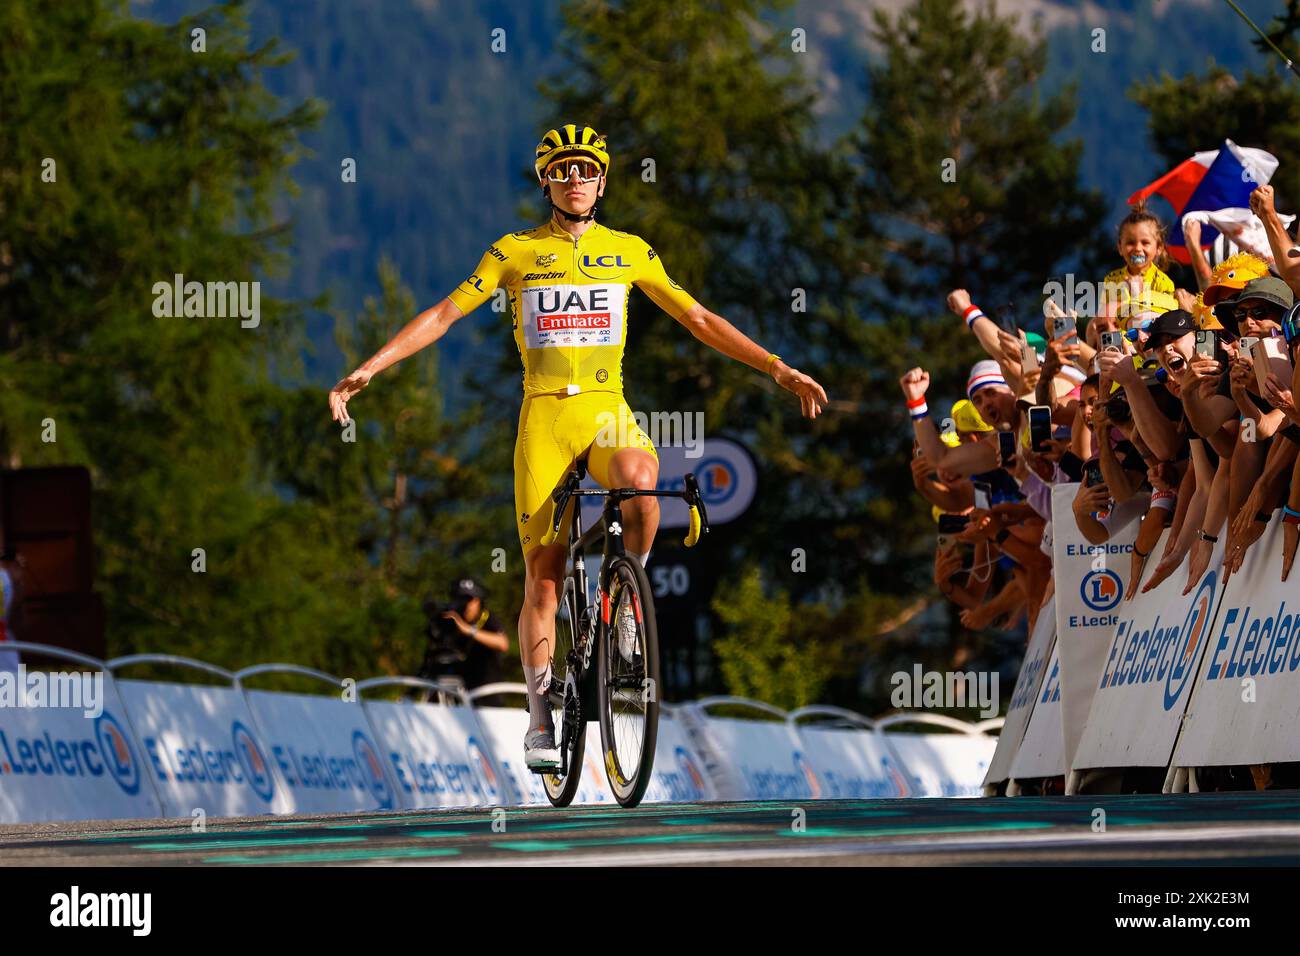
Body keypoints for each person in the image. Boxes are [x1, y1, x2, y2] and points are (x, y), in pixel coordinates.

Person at [328, 124, 827, 770]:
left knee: (644, 484)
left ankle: (626, 602)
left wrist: (777, 367)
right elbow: (445, 313)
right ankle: (539, 719)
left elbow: (698, 318)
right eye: (561, 171)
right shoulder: (514, 252)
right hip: (543, 417)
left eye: (585, 171)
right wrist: (373, 366)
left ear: (602, 181)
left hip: (604, 407)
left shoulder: (629, 251)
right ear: (545, 183)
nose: (574, 181)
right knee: (542, 579)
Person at [418, 577, 509, 704]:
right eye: (460, 599)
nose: (465, 605)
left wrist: (468, 630)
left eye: (469, 600)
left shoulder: (487, 619)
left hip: (487, 697)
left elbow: (503, 644)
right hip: (459, 696)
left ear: (478, 601)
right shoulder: (452, 622)